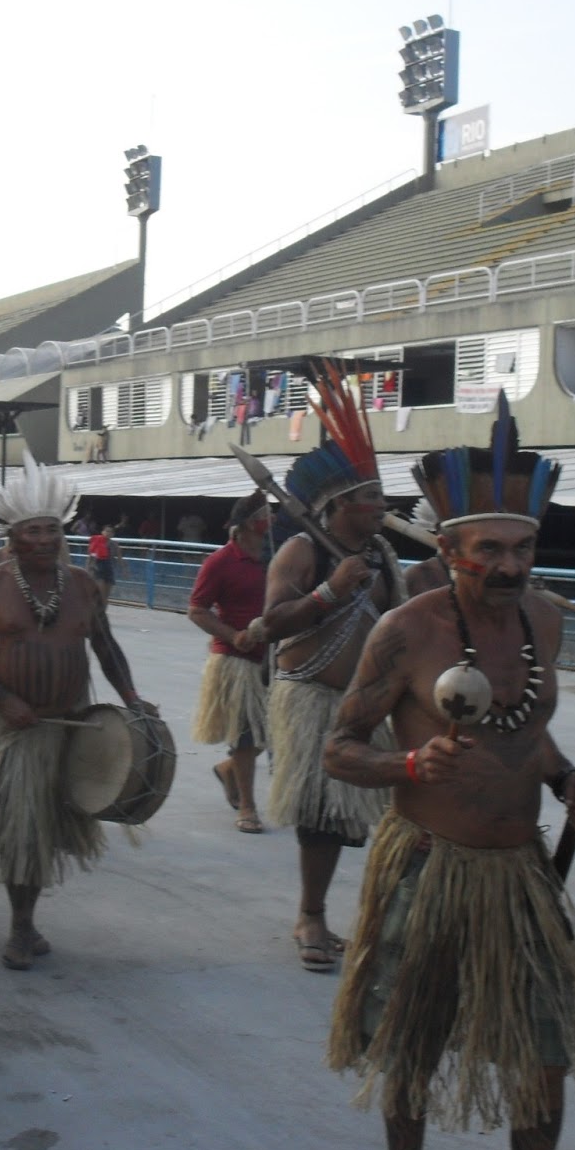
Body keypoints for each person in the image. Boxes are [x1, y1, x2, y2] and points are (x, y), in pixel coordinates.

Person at [322, 406, 575, 1150]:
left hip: (521, 871)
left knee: (545, 1051)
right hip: (428, 866)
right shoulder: (406, 632)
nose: (510, 566)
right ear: (449, 551)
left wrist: (567, 781)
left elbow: (529, 732)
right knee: (409, 1045)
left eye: (523, 548)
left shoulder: (544, 621)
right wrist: (410, 767)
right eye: (490, 551)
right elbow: (338, 750)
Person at [0, 451, 157, 971]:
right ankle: (21, 925)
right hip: (13, 729)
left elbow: (106, 650)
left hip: (70, 724)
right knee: (23, 831)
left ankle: (26, 919)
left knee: (46, 828)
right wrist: (4, 699)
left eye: (49, 530)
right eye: (31, 532)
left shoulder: (84, 587)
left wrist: (131, 700)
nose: (42, 540)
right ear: (12, 538)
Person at [261, 363, 405, 971]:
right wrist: (329, 593)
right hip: (313, 699)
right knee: (322, 819)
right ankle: (311, 916)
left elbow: (402, 622)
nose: (383, 505)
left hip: (365, 705)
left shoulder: (384, 556)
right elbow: (270, 624)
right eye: (371, 496)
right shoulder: (301, 550)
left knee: (356, 824)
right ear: (340, 504)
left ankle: (356, 915)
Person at [188, 489, 272, 834]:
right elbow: (196, 610)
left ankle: (229, 770)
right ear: (251, 524)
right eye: (267, 514)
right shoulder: (221, 561)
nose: (273, 520)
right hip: (236, 661)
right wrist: (231, 634)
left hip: (271, 659)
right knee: (246, 735)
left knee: (271, 733)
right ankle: (248, 807)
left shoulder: (274, 557)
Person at [87, 524, 123, 595]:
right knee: (101, 593)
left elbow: (119, 558)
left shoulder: (115, 545)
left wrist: (124, 569)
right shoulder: (96, 542)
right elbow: (91, 557)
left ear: (113, 534)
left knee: (106, 594)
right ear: (102, 532)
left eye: (110, 532)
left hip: (109, 570)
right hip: (98, 569)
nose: (108, 533)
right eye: (107, 531)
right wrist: (88, 569)